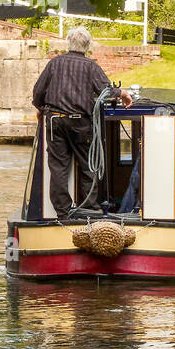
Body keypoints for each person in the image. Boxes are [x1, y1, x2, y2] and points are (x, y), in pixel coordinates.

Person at [32, 27, 131, 217]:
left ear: (68, 43)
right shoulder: (91, 67)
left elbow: (38, 91)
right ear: (88, 46)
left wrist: (40, 108)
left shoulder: (54, 64)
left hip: (55, 121)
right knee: (88, 164)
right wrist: (123, 94)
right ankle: (89, 208)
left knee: (59, 167)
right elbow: (106, 91)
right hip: (80, 123)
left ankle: (62, 211)